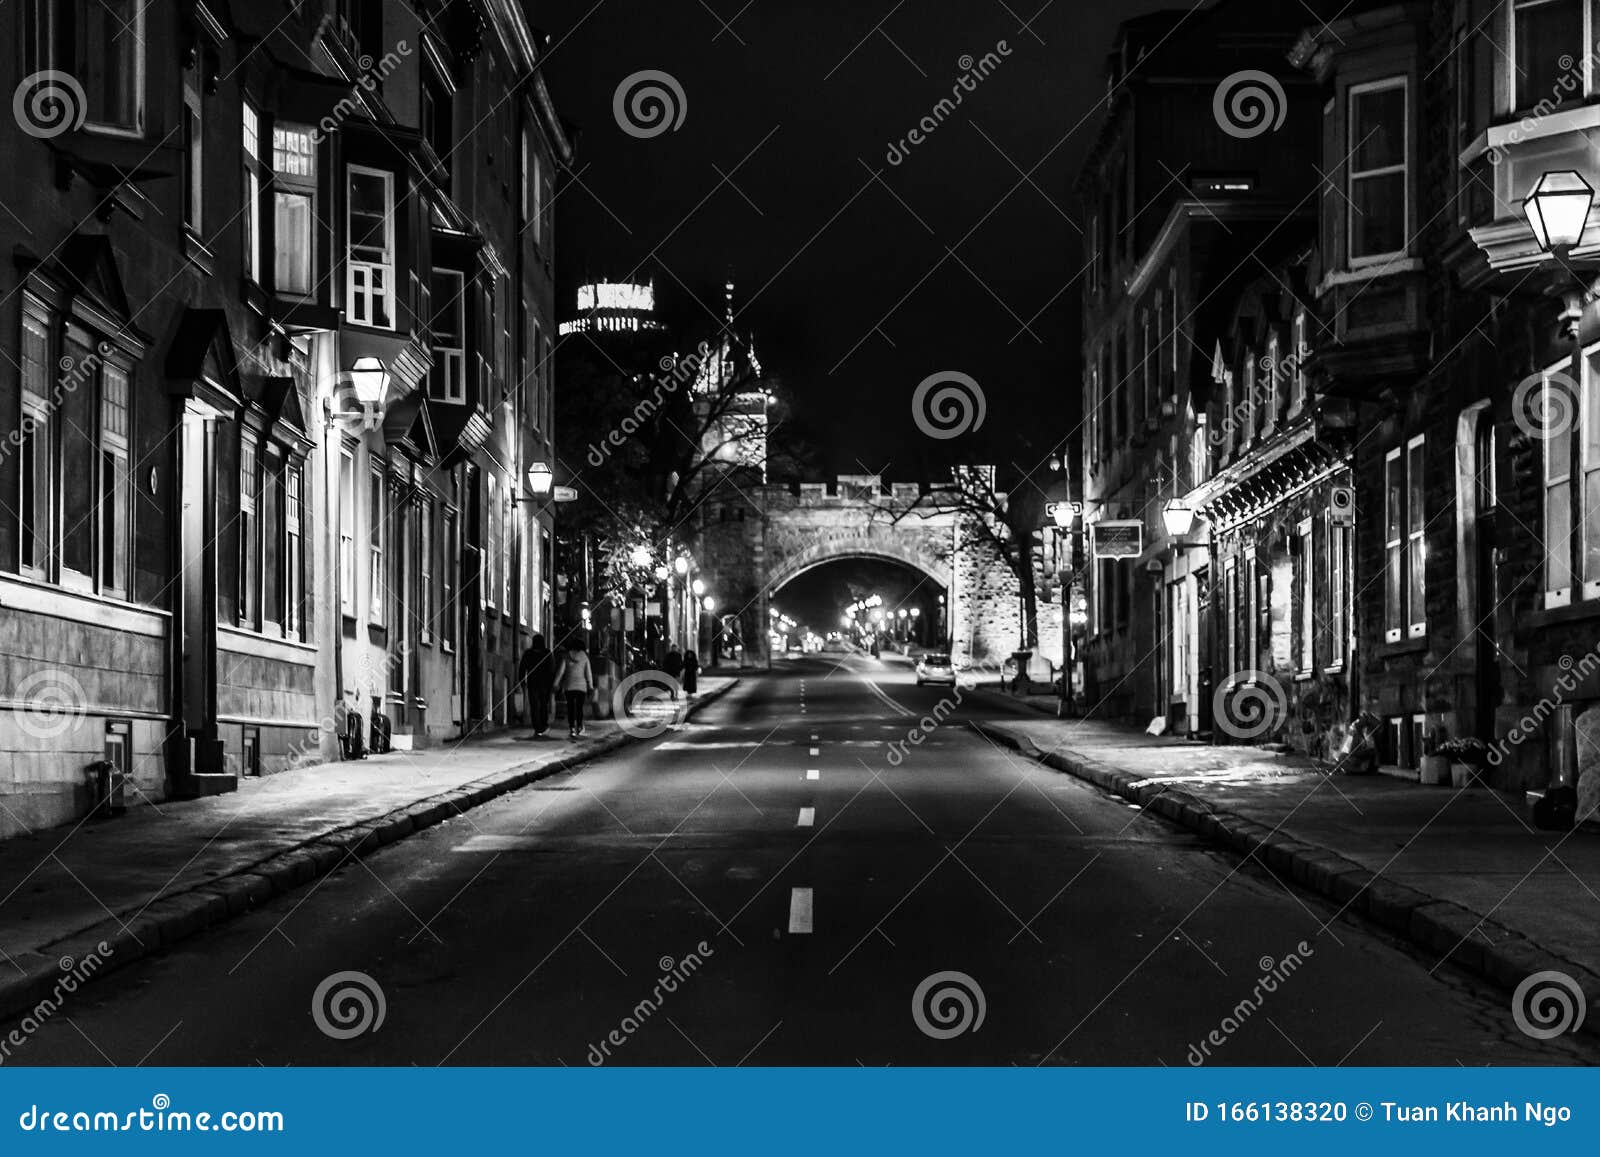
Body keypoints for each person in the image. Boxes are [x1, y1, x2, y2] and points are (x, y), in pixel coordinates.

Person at [556, 636, 594, 739]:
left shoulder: (567, 656)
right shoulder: (585, 657)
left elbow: (561, 671)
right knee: (579, 708)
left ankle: (572, 728)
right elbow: (588, 673)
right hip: (581, 687)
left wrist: (556, 683)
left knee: (570, 707)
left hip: (569, 686)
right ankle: (580, 727)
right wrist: (590, 686)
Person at [520, 634, 556, 736]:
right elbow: (552, 669)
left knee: (534, 706)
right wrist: (552, 683)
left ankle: (537, 727)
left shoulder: (528, 653)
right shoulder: (547, 653)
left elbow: (522, 668)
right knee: (543, 705)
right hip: (545, 684)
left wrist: (522, 681)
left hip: (533, 683)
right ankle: (543, 725)